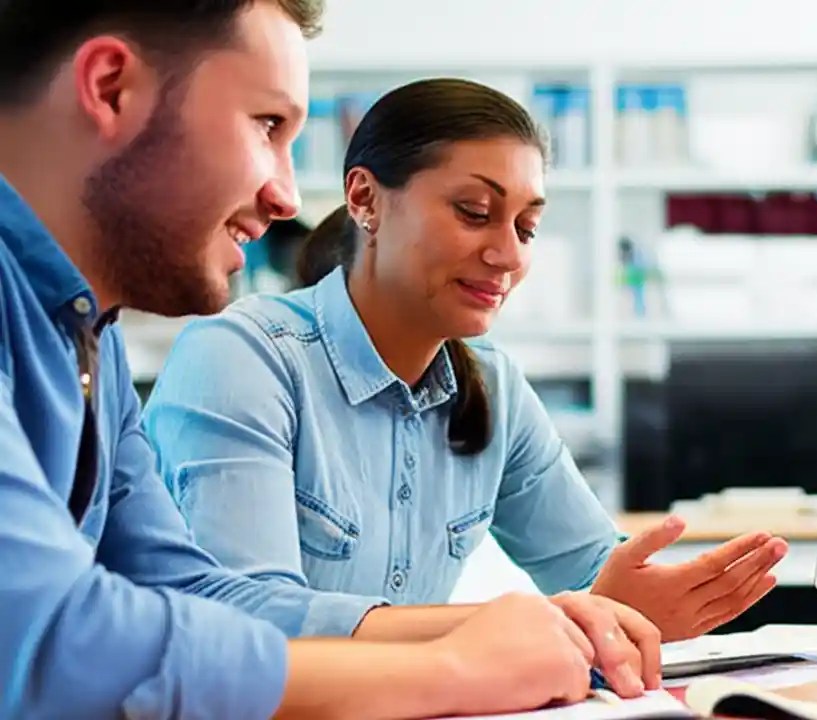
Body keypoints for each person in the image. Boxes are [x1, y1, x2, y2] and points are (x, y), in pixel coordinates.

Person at [0, 2, 662, 717]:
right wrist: (450, 667)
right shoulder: (236, 352)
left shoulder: (85, 332)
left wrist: (521, 625)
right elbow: (58, 639)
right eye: (266, 126)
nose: (286, 198)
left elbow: (196, 595)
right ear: (109, 89)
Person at [142, 76, 791, 643]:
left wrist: (652, 598)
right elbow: (250, 623)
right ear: (365, 200)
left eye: (526, 227)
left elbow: (596, 576)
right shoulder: (242, 359)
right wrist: (535, 624)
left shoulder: (493, 385)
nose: (508, 255)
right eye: (474, 212)